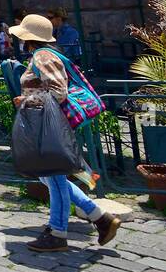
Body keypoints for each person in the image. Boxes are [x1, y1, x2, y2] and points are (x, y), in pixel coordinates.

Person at [9, 13, 119, 252]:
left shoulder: (43, 56)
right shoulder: (42, 55)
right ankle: (100, 217)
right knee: (48, 175)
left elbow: (59, 91)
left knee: (54, 175)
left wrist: (26, 99)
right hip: (46, 122)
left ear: (28, 39)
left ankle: (58, 232)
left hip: (49, 123)